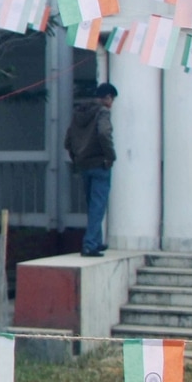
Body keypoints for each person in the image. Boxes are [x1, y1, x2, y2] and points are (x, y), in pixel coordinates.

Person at [65, 82, 117, 257]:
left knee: (92, 204)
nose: (112, 104)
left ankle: (96, 240)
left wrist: (76, 157)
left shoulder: (79, 112)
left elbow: (68, 139)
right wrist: (110, 156)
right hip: (99, 163)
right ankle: (90, 244)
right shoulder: (102, 112)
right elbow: (103, 133)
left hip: (83, 164)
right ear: (108, 97)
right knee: (98, 205)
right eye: (112, 99)